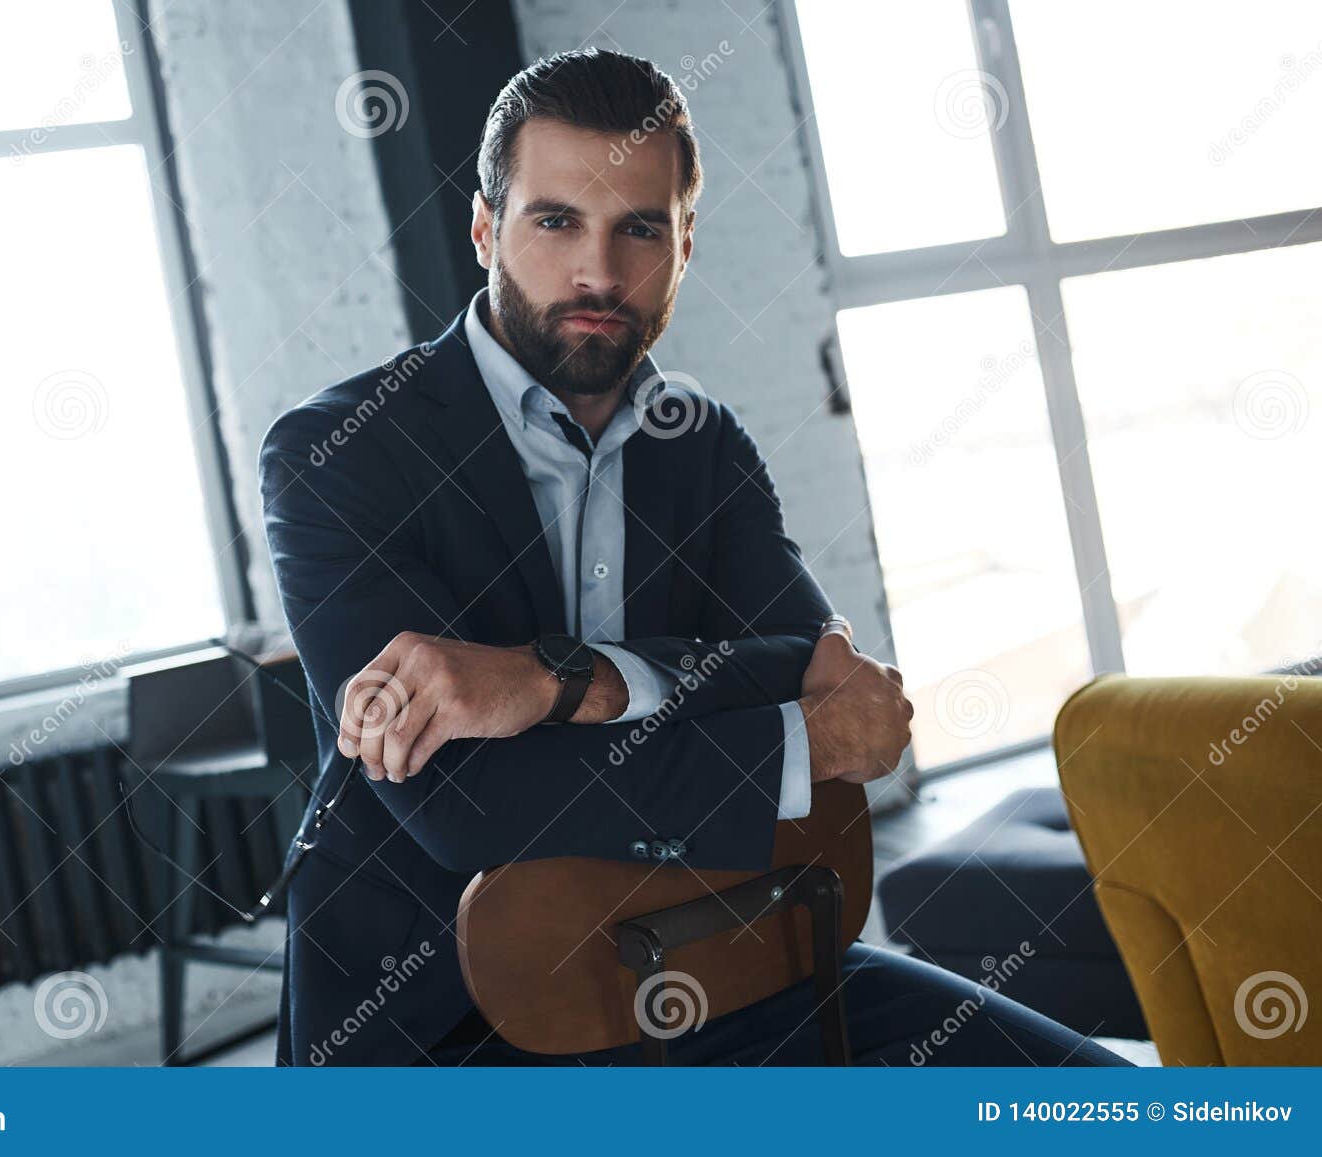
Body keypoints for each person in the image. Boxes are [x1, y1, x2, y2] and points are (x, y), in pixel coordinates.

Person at [259, 47, 1126, 1067]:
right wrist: (761, 721)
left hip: (720, 951)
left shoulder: (699, 440)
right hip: (442, 1023)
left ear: (683, 242)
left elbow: (828, 679)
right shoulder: (339, 453)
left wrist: (548, 683)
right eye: (554, 222)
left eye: (639, 228)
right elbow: (465, 806)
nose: (599, 270)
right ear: (485, 225)